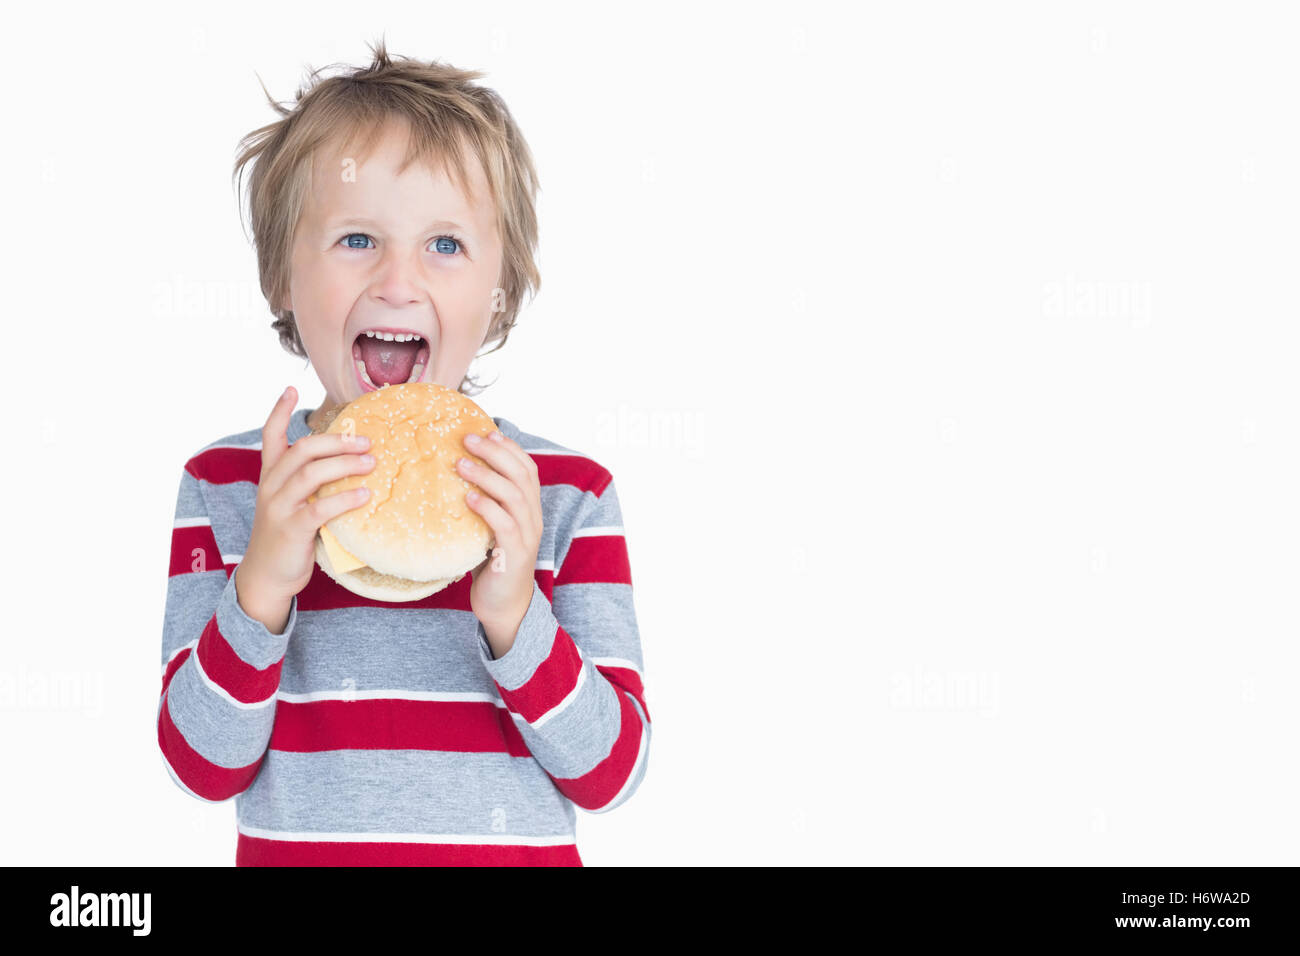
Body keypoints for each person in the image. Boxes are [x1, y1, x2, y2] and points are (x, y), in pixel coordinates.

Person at [157, 39, 650, 866]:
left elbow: (612, 775)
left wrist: (515, 612)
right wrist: (266, 583)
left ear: (501, 295)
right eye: (357, 238)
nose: (397, 281)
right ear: (281, 275)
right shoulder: (230, 486)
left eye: (446, 245)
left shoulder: (561, 494)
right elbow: (201, 768)